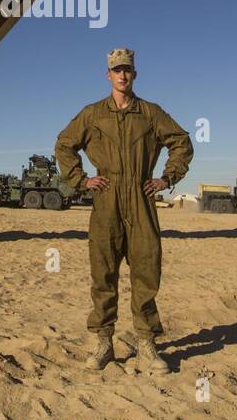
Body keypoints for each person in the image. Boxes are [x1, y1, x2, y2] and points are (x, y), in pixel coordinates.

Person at [55, 48, 193, 375]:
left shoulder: (150, 113)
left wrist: (166, 178)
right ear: (108, 75)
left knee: (146, 271)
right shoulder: (92, 114)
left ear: (134, 74)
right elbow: (64, 144)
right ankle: (104, 343)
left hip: (142, 197)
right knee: (103, 272)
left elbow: (182, 142)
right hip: (107, 197)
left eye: (127, 70)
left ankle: (146, 345)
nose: (122, 75)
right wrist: (81, 179)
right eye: (117, 70)